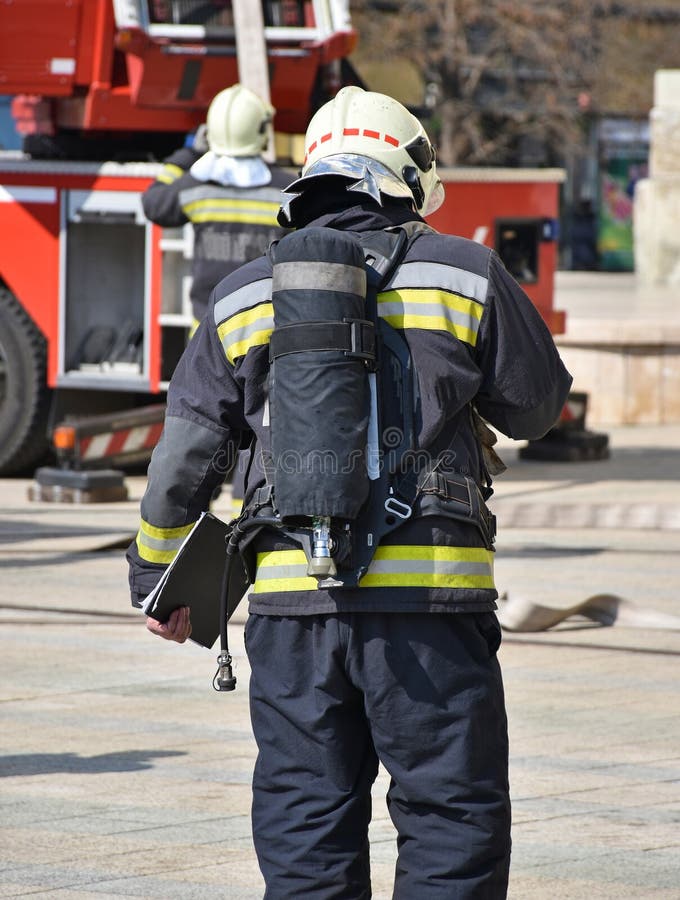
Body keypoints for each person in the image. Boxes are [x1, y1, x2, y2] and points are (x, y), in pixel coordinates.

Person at [127, 86, 572, 898]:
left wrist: (157, 580)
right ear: (408, 175)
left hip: (295, 613)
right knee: (451, 820)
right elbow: (537, 407)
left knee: (306, 824)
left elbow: (185, 457)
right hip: (434, 610)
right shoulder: (465, 271)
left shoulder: (242, 295)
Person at [142, 82, 291, 330]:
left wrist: (187, 155)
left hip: (207, 333)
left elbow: (153, 203)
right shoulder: (285, 192)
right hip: (266, 332)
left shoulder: (196, 188)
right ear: (261, 130)